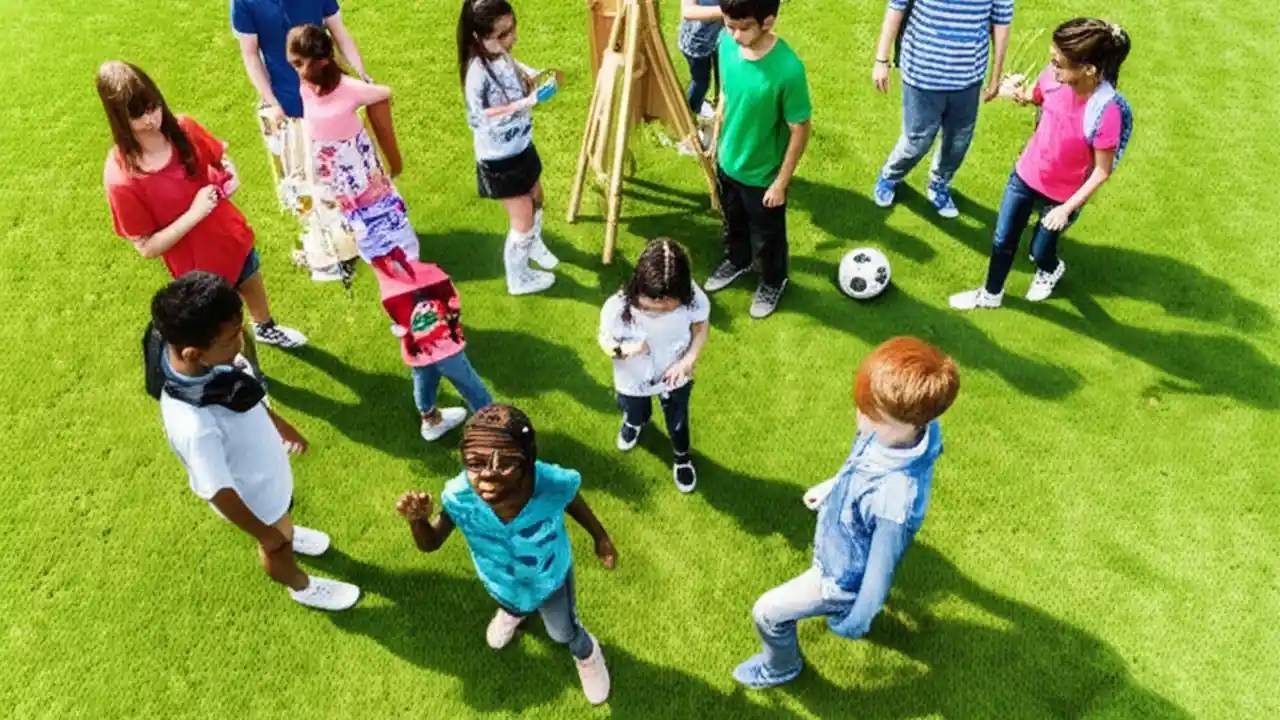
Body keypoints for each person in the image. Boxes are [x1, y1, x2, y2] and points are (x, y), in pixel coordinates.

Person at [732, 337, 959, 688]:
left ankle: (781, 667)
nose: (859, 414)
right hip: (840, 544)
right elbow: (860, 462)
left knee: (767, 612)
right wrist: (832, 487)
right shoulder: (904, 432)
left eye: (870, 412)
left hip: (839, 578)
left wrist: (855, 621)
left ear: (906, 421)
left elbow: (878, 577)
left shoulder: (895, 500)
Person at [150, 272, 359, 611]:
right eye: (232, 337)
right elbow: (216, 490)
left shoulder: (184, 353)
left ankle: (286, 529)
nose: (242, 341)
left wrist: (279, 425)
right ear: (192, 353)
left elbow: (239, 394)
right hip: (256, 496)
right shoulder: (195, 425)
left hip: (266, 469)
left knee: (283, 522)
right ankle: (301, 585)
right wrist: (265, 534)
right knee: (277, 547)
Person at [395, 404, 618, 705]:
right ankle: (514, 612)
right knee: (510, 602)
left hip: (549, 578)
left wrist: (600, 537)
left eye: (505, 464)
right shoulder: (459, 496)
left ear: (528, 459)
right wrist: (417, 521)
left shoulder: (550, 482)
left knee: (561, 632)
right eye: (475, 463)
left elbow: (572, 500)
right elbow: (431, 543)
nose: (487, 476)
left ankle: (585, 651)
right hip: (499, 580)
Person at [99, 61, 307, 350]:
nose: (151, 119)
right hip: (199, 273)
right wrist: (195, 213)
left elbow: (221, 163)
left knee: (251, 281)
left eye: (153, 106)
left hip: (232, 238)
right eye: (139, 114)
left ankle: (266, 327)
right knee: (226, 331)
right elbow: (146, 247)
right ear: (119, 118)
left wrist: (229, 177)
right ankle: (242, 368)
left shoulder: (183, 127)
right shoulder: (121, 178)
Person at [950, 18, 1132, 309]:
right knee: (1002, 240)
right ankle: (990, 295)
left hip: (1063, 195)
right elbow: (1037, 97)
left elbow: (1101, 171)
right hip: (1026, 174)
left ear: (1088, 69)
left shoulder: (1106, 111)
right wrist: (1017, 92)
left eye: (1059, 63)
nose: (1052, 67)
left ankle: (1050, 269)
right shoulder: (1052, 76)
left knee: (1039, 250)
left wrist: (1065, 209)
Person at [703, 0, 811, 320]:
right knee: (732, 222)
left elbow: (800, 129)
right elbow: (725, 94)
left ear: (768, 21)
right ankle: (738, 261)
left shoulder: (788, 70)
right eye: (729, 25)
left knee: (769, 238)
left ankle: (773, 281)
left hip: (763, 177)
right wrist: (716, 138)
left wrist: (780, 183)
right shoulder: (724, 44)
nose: (734, 35)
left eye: (743, 27)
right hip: (727, 163)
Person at [287, 24, 420, 264]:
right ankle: (377, 258)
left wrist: (370, 122)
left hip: (357, 166)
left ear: (322, 61)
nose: (296, 71)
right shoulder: (306, 86)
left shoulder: (349, 88)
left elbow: (383, 93)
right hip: (333, 169)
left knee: (382, 212)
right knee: (355, 219)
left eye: (299, 64)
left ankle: (410, 259)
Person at [870, 0, 1014, 218]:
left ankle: (939, 183)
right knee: (916, 141)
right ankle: (890, 175)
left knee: (958, 142)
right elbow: (897, 6)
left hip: (967, 79)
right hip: (921, 74)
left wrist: (996, 76)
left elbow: (1001, 22)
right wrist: (881, 60)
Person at [457, 0, 561, 296]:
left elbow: (514, 68)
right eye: (502, 35)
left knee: (537, 197)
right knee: (522, 219)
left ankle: (533, 244)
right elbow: (480, 118)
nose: (511, 39)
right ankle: (519, 277)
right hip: (500, 160)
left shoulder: (500, 54)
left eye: (512, 29)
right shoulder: (476, 73)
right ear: (479, 37)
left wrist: (534, 75)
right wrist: (524, 104)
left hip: (521, 146)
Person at [598, 239, 710, 492]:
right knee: (635, 410)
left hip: (674, 373)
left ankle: (682, 457)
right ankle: (634, 422)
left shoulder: (694, 299)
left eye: (667, 304)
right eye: (651, 304)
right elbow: (605, 341)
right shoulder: (617, 308)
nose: (658, 310)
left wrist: (688, 361)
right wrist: (626, 350)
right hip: (633, 378)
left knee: (678, 420)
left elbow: (701, 327)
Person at [232, 0, 371, 123]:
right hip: (285, 105)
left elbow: (339, 32)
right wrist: (272, 103)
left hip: (329, 93)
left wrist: (360, 75)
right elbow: (250, 55)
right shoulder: (244, 2)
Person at [678, 0, 724, 141]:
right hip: (696, 44)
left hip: (716, 37)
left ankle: (716, 110)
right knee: (701, 82)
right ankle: (689, 118)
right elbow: (688, 11)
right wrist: (727, 10)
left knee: (721, 78)